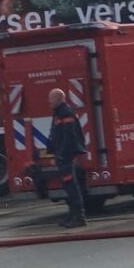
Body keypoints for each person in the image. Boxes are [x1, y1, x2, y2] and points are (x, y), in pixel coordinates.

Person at [46, 87, 88, 229]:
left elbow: (69, 137)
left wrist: (61, 155)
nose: (49, 102)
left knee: (71, 186)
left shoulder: (65, 113)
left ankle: (79, 216)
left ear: (59, 99)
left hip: (66, 157)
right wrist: (52, 151)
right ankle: (73, 215)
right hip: (63, 156)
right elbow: (56, 135)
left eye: (51, 99)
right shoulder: (59, 113)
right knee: (68, 186)